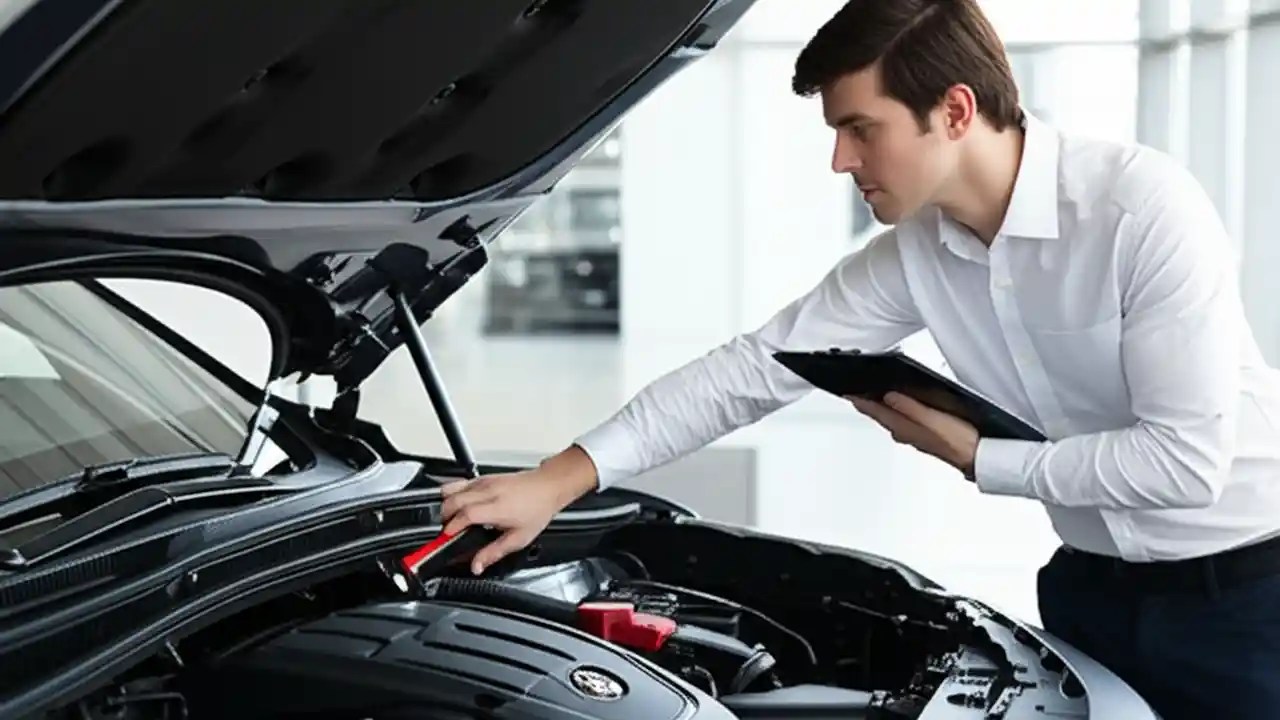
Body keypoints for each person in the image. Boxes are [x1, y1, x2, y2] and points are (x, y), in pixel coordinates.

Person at [441, 1, 1280, 717]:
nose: (841, 160)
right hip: (1087, 590)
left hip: (1248, 601)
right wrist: (558, 480)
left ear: (955, 111)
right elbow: (754, 369)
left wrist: (980, 458)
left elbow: (1186, 463)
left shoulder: (1139, 210)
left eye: (859, 129)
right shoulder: (917, 254)